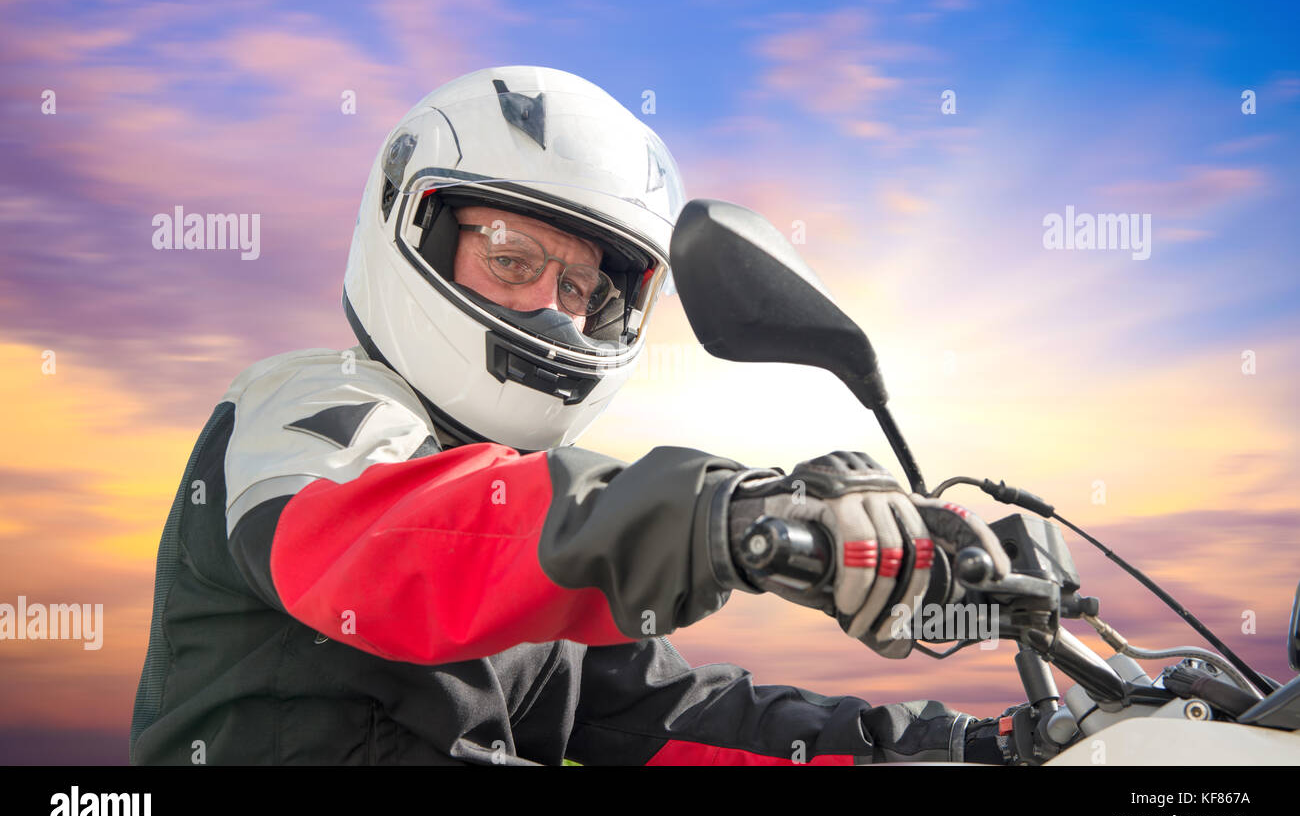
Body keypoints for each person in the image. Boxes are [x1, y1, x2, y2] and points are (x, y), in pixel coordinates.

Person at [129, 65, 1019, 766]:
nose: (555, 312)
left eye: (584, 286)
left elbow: (672, 724)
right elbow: (396, 545)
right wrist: (734, 514)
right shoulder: (307, 405)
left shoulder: (545, 546)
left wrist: (955, 746)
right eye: (513, 260)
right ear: (415, 229)